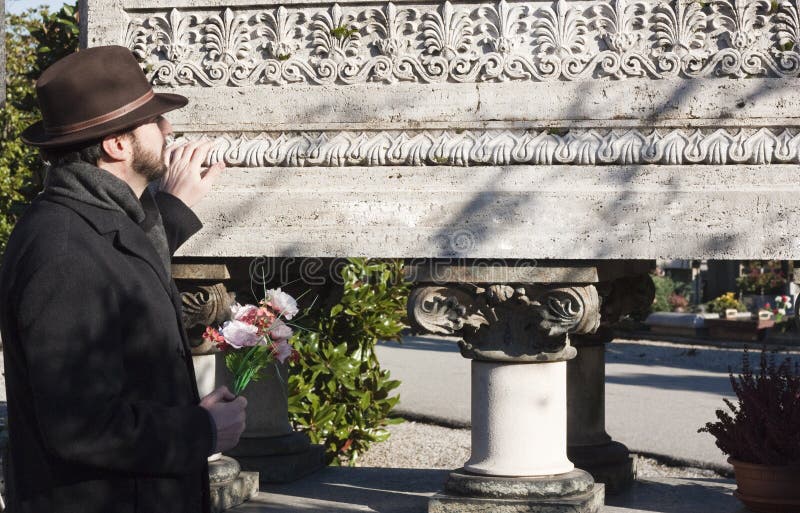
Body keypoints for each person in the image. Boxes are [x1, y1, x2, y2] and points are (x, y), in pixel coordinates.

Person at [0, 45, 247, 513]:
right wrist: (204, 431)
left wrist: (172, 209)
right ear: (117, 145)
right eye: (153, 121)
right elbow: (80, 426)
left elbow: (124, 266)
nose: (168, 129)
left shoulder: (85, 221)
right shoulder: (62, 252)